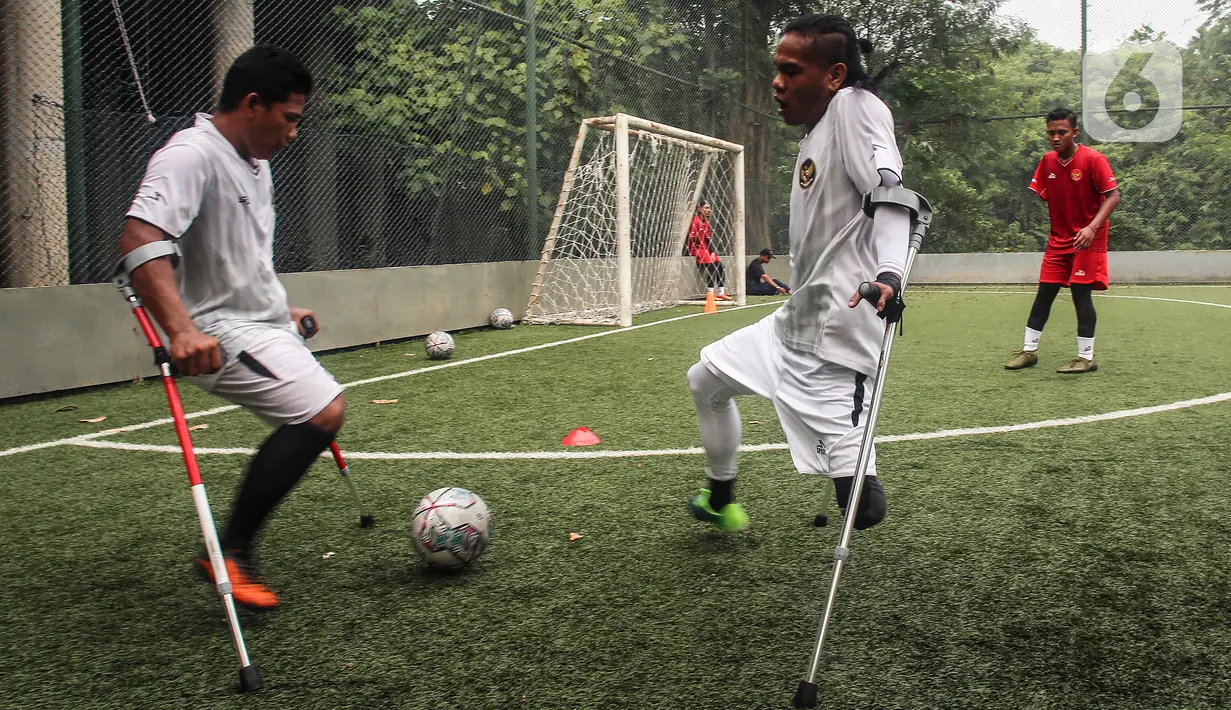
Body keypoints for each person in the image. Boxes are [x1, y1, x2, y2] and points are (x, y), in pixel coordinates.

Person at [119, 45, 341, 609]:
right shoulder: (191, 155)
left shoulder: (255, 162)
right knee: (321, 410)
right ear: (251, 104)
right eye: (289, 119)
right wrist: (182, 330)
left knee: (323, 411)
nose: (293, 134)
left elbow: (237, 258)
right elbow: (141, 239)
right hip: (218, 330)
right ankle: (231, 550)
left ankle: (233, 545)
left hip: (258, 320)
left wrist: (279, 307)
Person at [685, 14, 912, 532]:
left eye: (790, 70)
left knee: (861, 508)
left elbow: (891, 197)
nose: (776, 82)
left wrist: (891, 273)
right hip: (792, 324)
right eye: (776, 69)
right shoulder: (818, 128)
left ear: (834, 75)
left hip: (833, 341)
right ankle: (720, 498)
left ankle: (857, 468)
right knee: (705, 380)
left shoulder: (857, 107)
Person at [1006, 108, 1120, 374]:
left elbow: (1113, 196)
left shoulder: (1094, 159)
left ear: (1075, 132)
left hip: (1087, 238)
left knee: (1080, 294)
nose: (1055, 138)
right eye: (1051, 132)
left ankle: (1085, 357)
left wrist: (1091, 228)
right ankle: (1029, 351)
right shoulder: (1047, 162)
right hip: (1059, 240)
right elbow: (1051, 195)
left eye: (1062, 132)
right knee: (1044, 293)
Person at [686, 201, 732, 300]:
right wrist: (694, 252)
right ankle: (710, 294)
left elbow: (708, 239)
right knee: (712, 265)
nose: (709, 210)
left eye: (709, 208)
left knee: (720, 265)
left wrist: (712, 252)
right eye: (706, 208)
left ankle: (721, 292)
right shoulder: (695, 222)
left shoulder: (706, 222)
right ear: (699, 209)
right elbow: (691, 239)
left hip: (705, 249)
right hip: (696, 249)